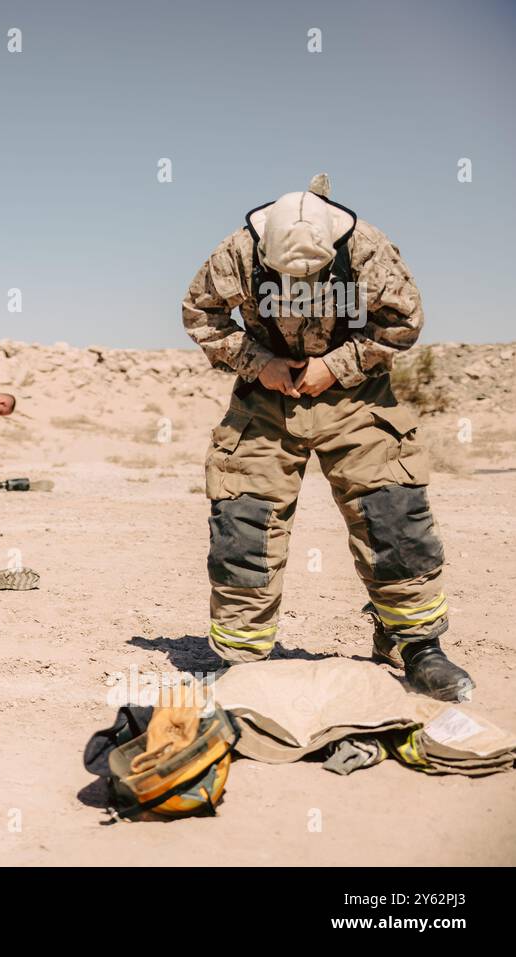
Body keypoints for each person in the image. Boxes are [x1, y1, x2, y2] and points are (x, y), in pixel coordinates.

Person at [182, 174, 472, 701]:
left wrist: (337, 366)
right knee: (244, 522)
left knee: (392, 515)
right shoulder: (236, 251)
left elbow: (403, 322)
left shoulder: (367, 248)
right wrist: (258, 362)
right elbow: (201, 314)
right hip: (266, 397)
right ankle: (242, 656)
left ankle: (415, 645)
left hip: (356, 396)